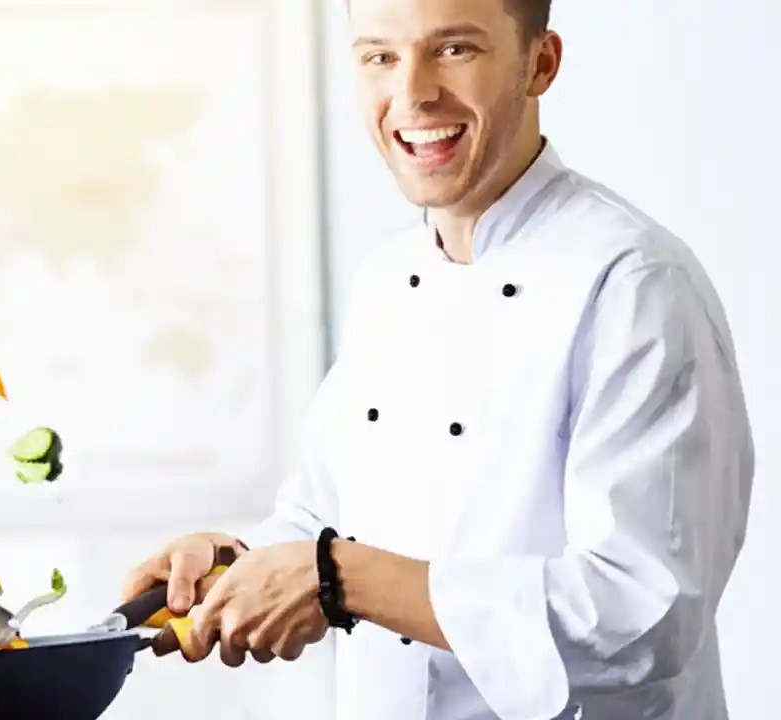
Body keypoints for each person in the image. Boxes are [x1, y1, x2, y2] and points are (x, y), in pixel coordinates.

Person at [118, 0, 755, 717]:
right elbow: (330, 516)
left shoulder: (632, 284)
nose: (413, 93)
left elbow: (644, 615)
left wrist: (335, 579)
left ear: (539, 63)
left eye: (454, 50)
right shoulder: (385, 278)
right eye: (379, 56)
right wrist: (241, 565)